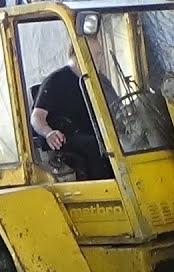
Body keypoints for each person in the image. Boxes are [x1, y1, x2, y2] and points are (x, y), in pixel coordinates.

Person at [31, 37, 113, 179]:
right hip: (67, 138)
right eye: (97, 54)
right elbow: (36, 117)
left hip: (98, 133)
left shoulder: (100, 81)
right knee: (95, 145)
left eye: (101, 54)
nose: (101, 58)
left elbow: (117, 106)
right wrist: (49, 133)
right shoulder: (56, 81)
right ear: (80, 53)